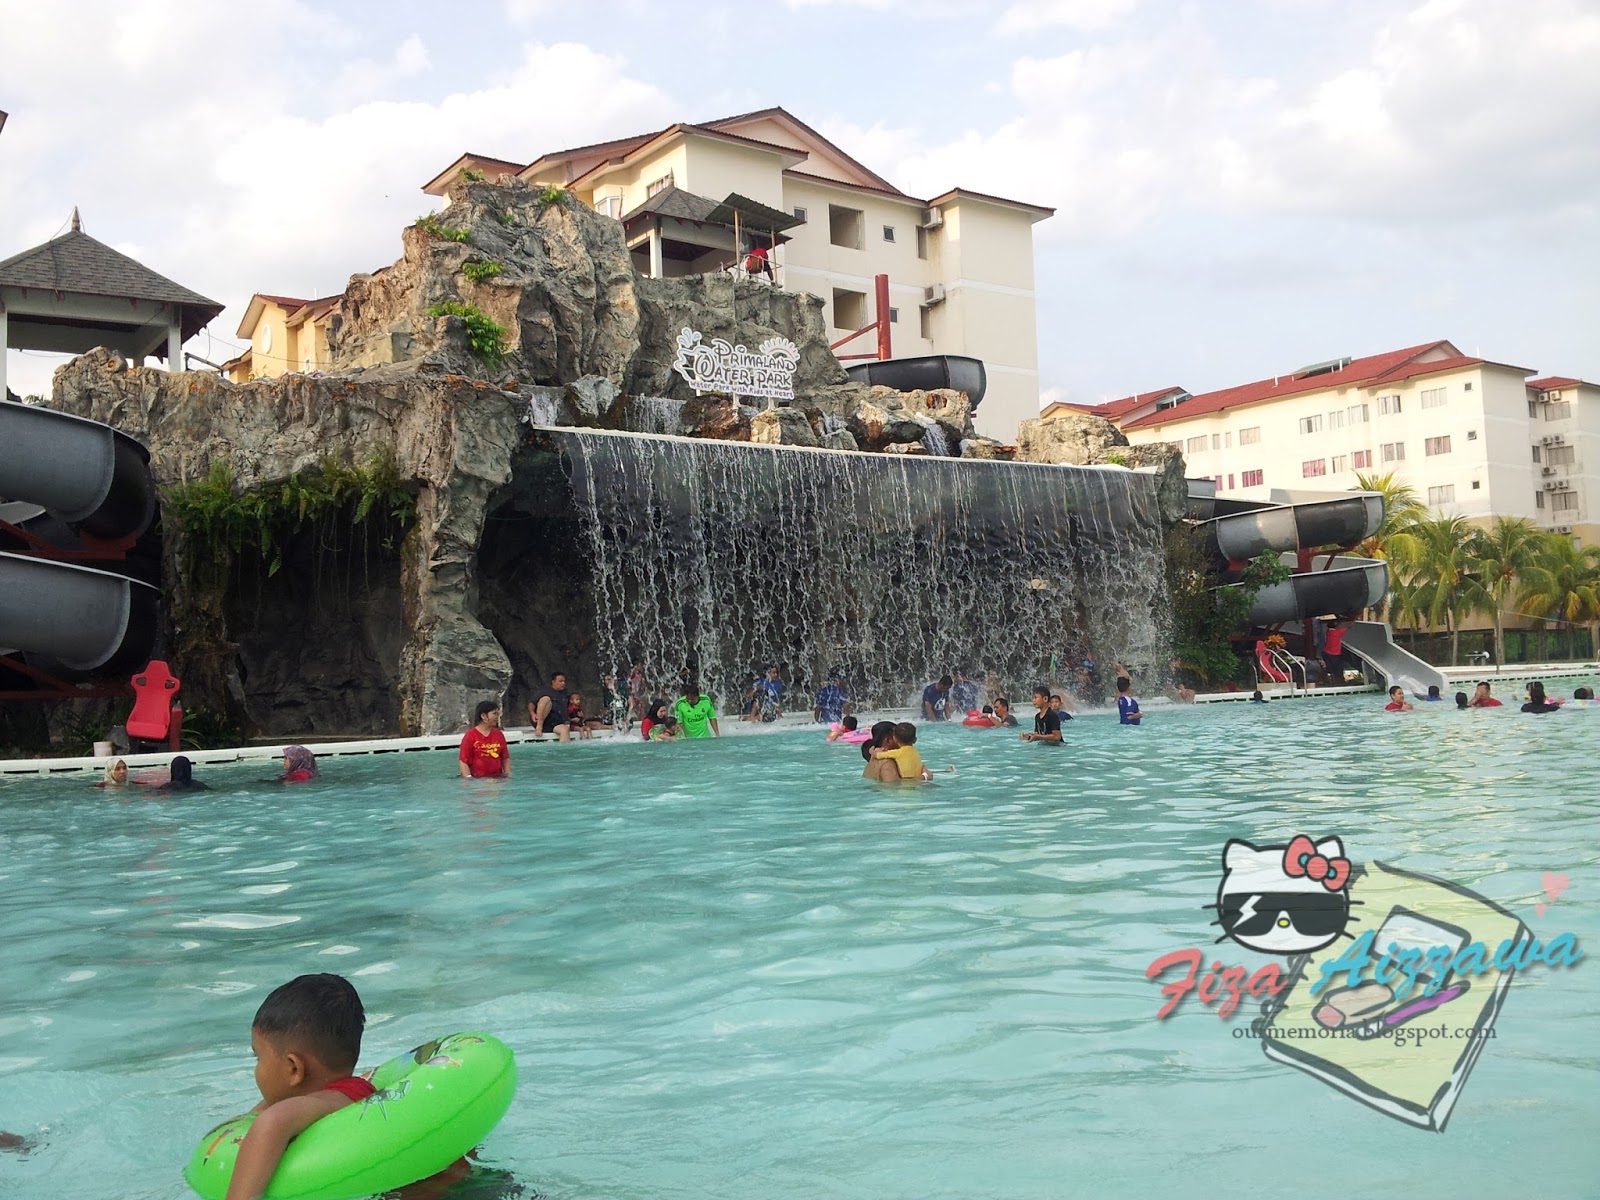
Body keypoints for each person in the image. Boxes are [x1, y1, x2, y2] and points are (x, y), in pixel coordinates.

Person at [219, 973, 377, 1200]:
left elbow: (272, 1120)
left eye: (258, 1057)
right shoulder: (356, 1093)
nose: (257, 1068)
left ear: (294, 1068)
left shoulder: (290, 1113)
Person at [868, 722, 935, 783]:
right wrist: (924, 777)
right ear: (888, 741)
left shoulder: (873, 759)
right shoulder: (887, 763)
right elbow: (892, 787)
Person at [458, 701, 511, 778]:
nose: (497, 717)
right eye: (494, 713)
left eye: (497, 714)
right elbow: (463, 761)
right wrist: (469, 780)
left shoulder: (499, 734)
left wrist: (507, 776)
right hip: (477, 780)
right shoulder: (470, 736)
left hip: (497, 779)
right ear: (483, 716)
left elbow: (505, 758)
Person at [528, 672, 572, 741]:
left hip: (557, 723)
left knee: (565, 729)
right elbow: (531, 703)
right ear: (553, 682)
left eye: (564, 681)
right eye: (560, 681)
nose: (563, 683)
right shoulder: (545, 691)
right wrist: (532, 713)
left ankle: (564, 750)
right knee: (546, 699)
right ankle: (539, 726)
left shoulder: (566, 693)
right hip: (544, 720)